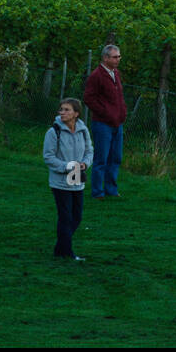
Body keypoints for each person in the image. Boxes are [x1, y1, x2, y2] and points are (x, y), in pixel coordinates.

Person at [44, 98, 92, 260]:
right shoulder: (53, 132)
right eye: (61, 110)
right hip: (60, 181)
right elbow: (48, 157)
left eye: (67, 110)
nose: (62, 113)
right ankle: (67, 252)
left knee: (76, 217)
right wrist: (67, 166)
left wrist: (85, 164)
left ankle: (60, 248)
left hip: (77, 179)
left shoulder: (83, 130)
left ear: (76, 113)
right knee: (65, 217)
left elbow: (89, 151)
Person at [84, 43, 127, 198]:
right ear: (105, 57)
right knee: (101, 159)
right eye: (115, 57)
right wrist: (105, 113)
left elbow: (119, 97)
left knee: (115, 158)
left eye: (119, 56)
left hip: (117, 123)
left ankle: (111, 189)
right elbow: (88, 98)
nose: (118, 59)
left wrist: (122, 112)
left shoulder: (116, 73)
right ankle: (97, 191)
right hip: (102, 124)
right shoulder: (96, 75)